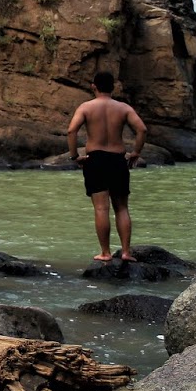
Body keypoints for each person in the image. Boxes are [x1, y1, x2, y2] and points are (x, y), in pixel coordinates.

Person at [66, 71, 146, 262]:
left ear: (94, 86)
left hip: (96, 160)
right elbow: (142, 129)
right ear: (113, 87)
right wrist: (136, 152)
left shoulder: (86, 107)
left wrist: (75, 156)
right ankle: (126, 252)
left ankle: (105, 253)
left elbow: (71, 130)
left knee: (101, 209)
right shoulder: (124, 108)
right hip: (118, 160)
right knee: (122, 208)